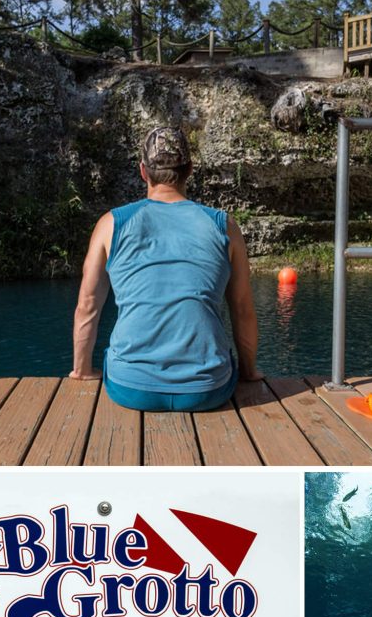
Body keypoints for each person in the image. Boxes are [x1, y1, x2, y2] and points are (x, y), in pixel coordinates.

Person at [69, 126, 261, 411]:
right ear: (190, 170)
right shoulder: (224, 225)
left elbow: (87, 306)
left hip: (130, 388)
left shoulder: (110, 224)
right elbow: (242, 309)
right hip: (207, 389)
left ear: (143, 171)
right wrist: (249, 372)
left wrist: (82, 370)